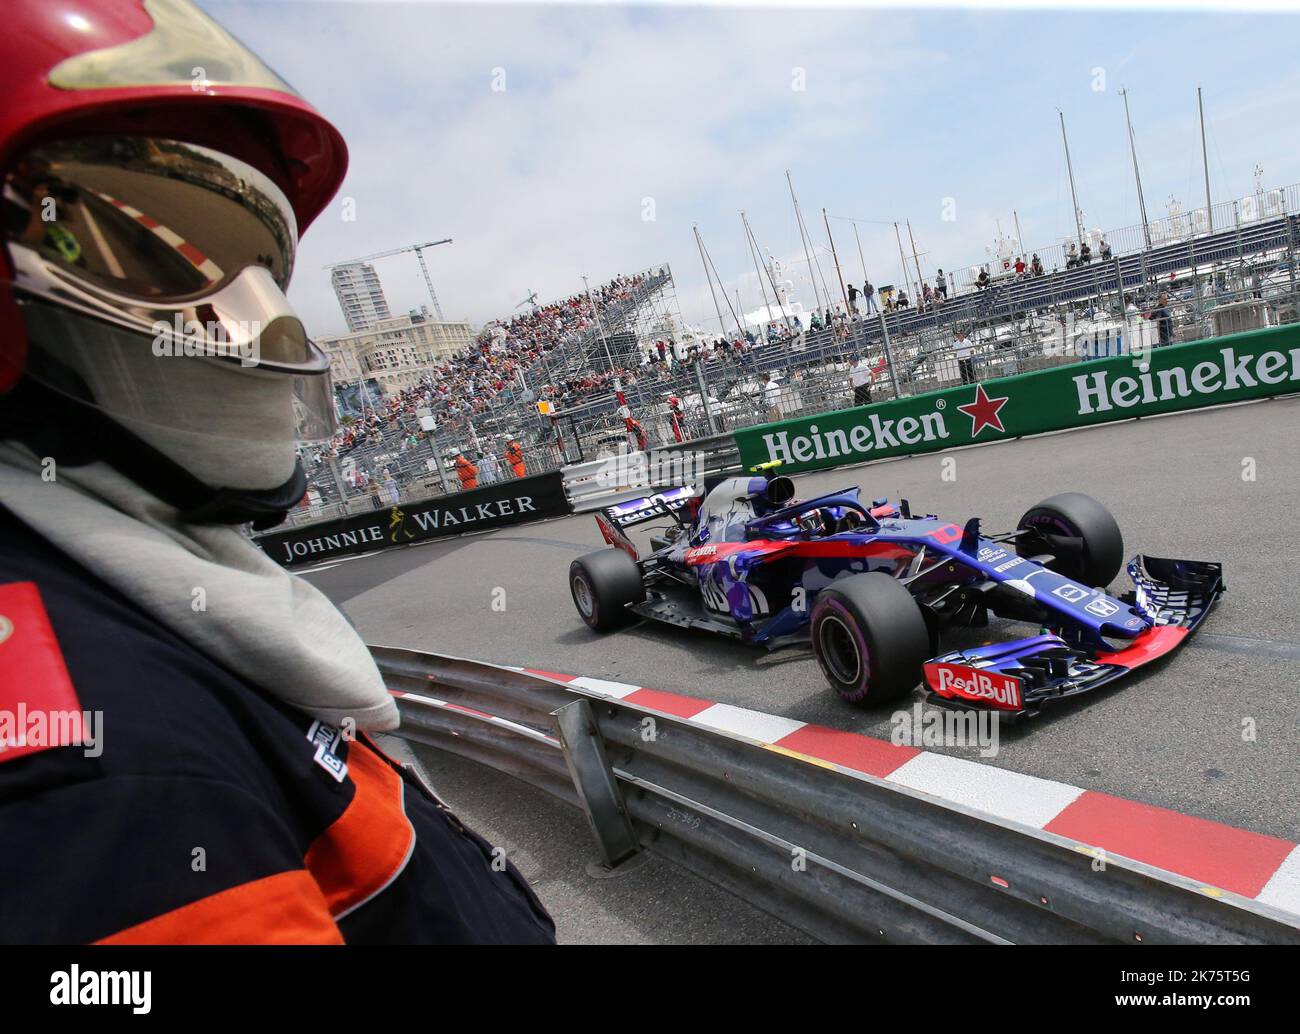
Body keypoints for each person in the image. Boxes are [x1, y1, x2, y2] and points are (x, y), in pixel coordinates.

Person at [0, 0, 553, 945]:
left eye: (263, 270)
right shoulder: (103, 769)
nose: (263, 328)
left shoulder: (150, 609)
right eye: (181, 268)